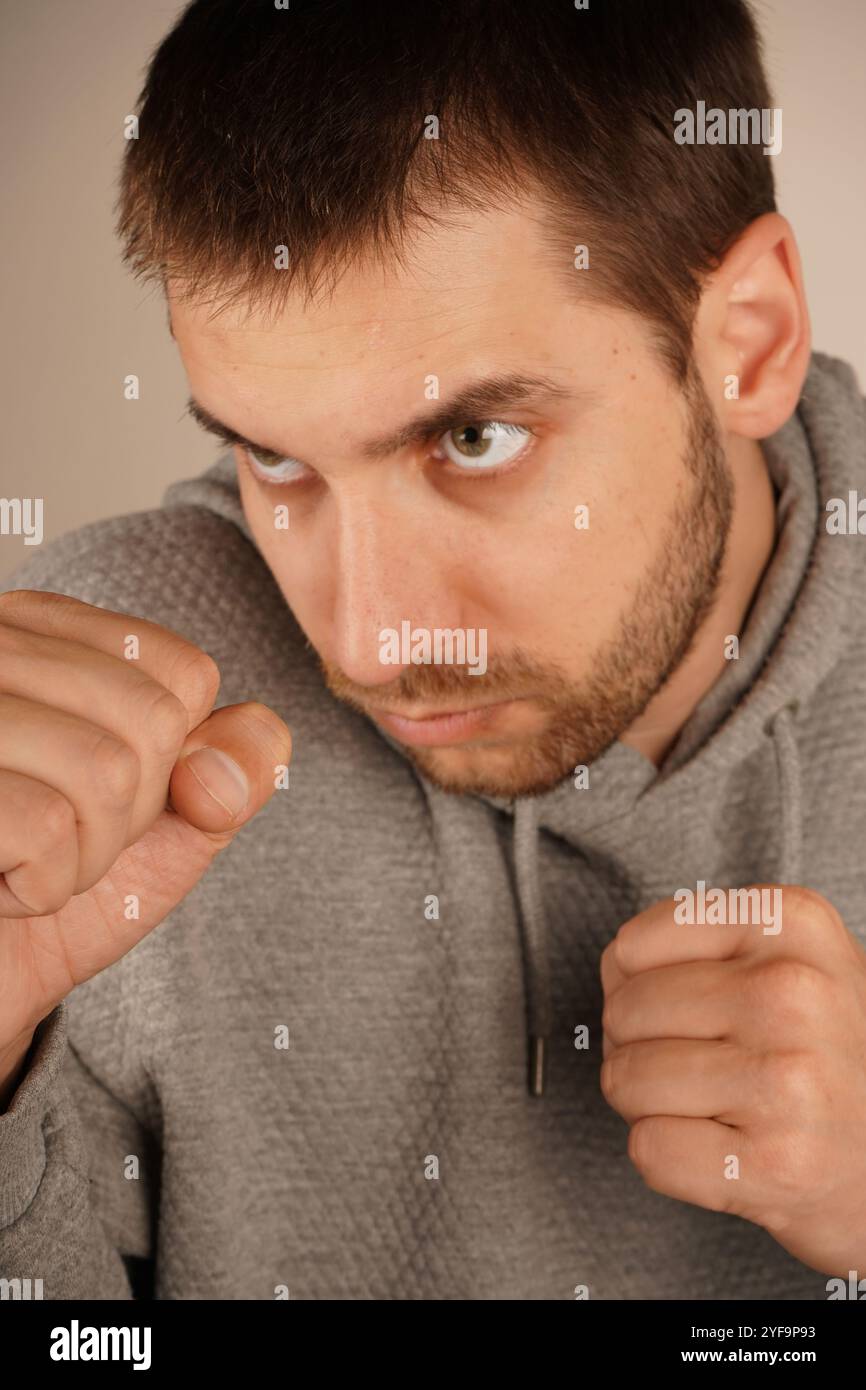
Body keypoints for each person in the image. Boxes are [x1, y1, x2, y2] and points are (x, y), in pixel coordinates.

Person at [1, 0, 864, 1300]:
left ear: (749, 341)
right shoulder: (82, 718)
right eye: (274, 458)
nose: (368, 641)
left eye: (473, 441)